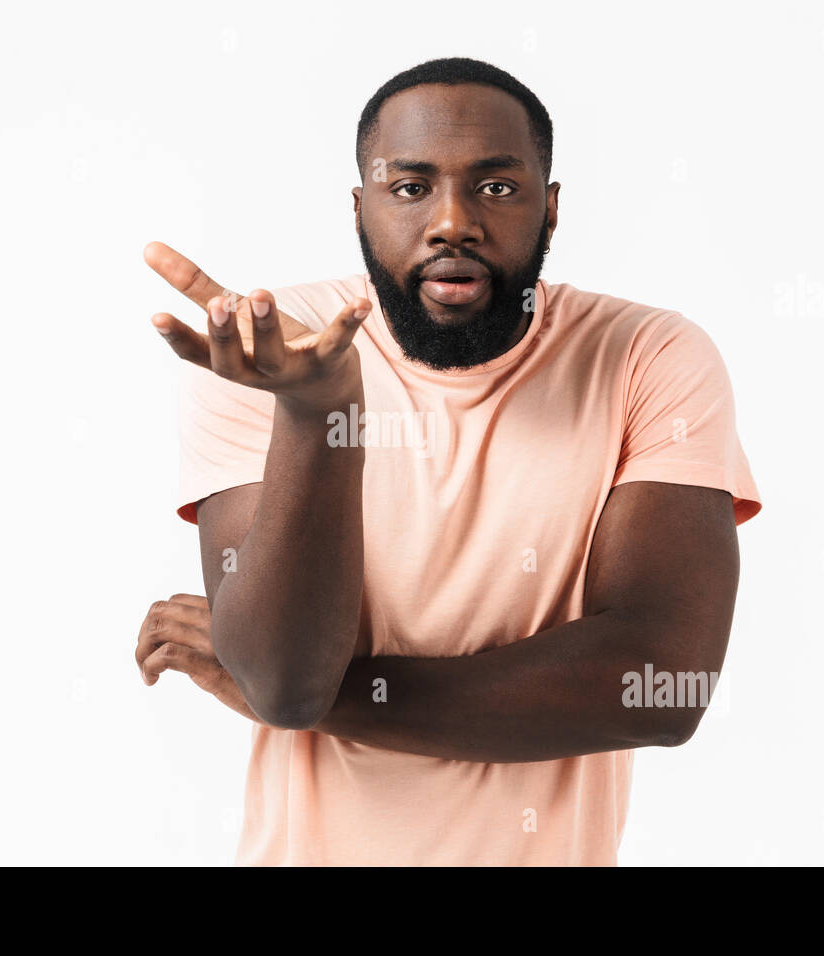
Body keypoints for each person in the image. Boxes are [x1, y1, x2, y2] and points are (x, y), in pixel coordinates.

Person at [135, 56, 762, 865]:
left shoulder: (649, 356)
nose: (452, 221)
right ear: (360, 210)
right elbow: (286, 678)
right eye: (410, 187)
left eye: (497, 187)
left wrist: (319, 699)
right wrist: (320, 409)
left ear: (552, 208)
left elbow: (661, 684)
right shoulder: (277, 350)